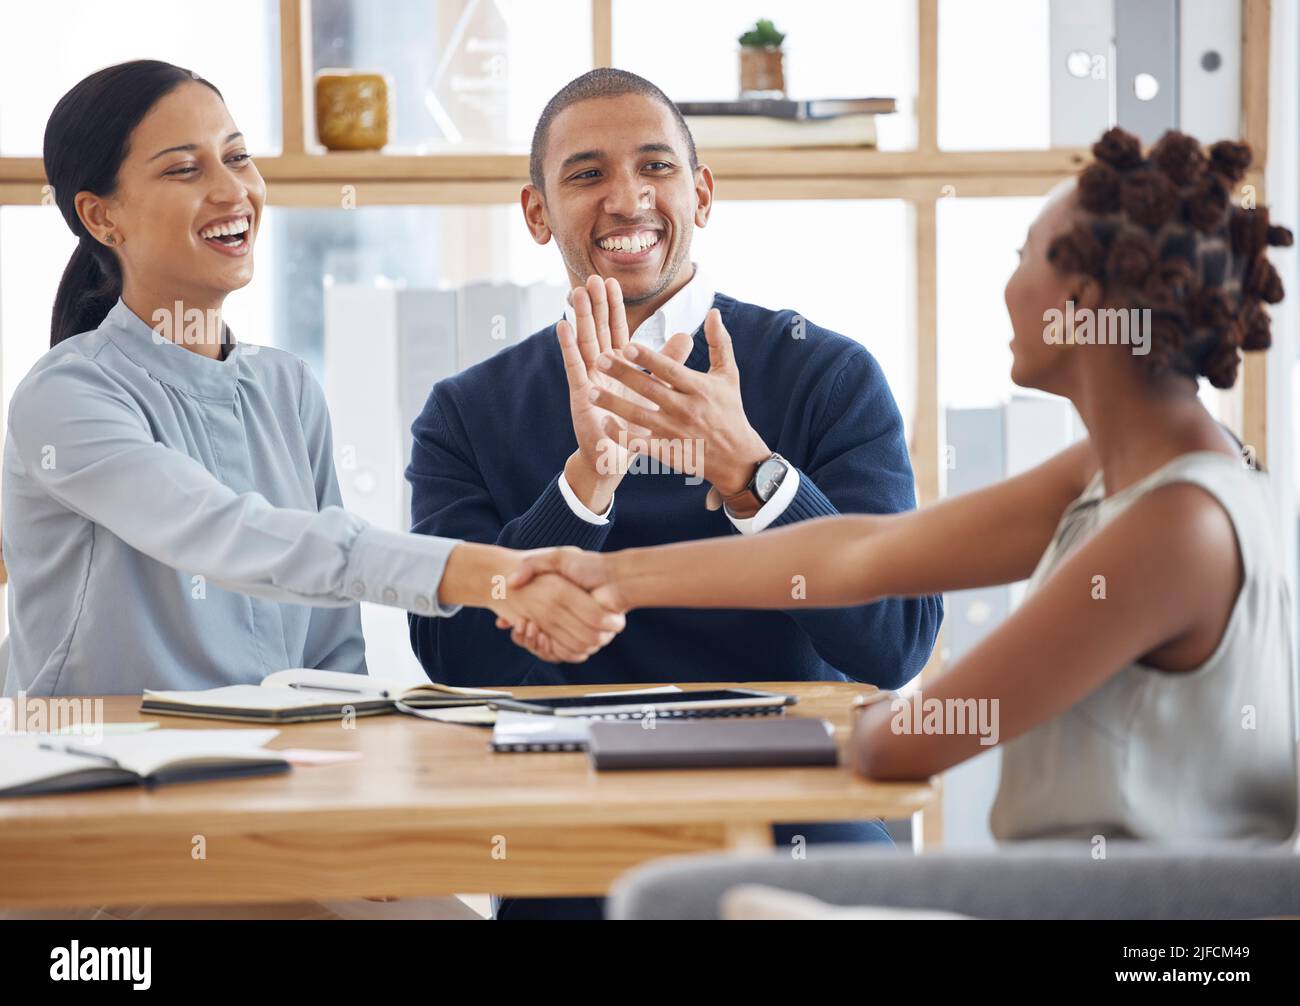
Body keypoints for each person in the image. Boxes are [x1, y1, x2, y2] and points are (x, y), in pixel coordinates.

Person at [512, 127, 1299, 846]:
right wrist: (610, 577)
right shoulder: (1121, 468)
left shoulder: (1176, 527)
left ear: (1082, 304)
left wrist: (843, 716)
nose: (1007, 286)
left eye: (1024, 256)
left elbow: (908, 743)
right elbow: (861, 553)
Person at [0, 60, 620, 919]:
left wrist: (358, 808)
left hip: (274, 808)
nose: (232, 190)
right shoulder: (66, 396)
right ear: (102, 216)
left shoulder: (285, 387)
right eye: (184, 169)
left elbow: (332, 657)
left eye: (237, 156)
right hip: (105, 825)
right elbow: (231, 534)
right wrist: (490, 573)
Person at [406, 68, 942, 917]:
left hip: (799, 818)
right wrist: (584, 486)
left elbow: (898, 643)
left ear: (702, 193)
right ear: (538, 213)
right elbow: (456, 663)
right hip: (572, 833)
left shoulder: (828, 375)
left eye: (655, 167)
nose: (627, 200)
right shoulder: (467, 413)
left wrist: (754, 476)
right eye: (587, 174)